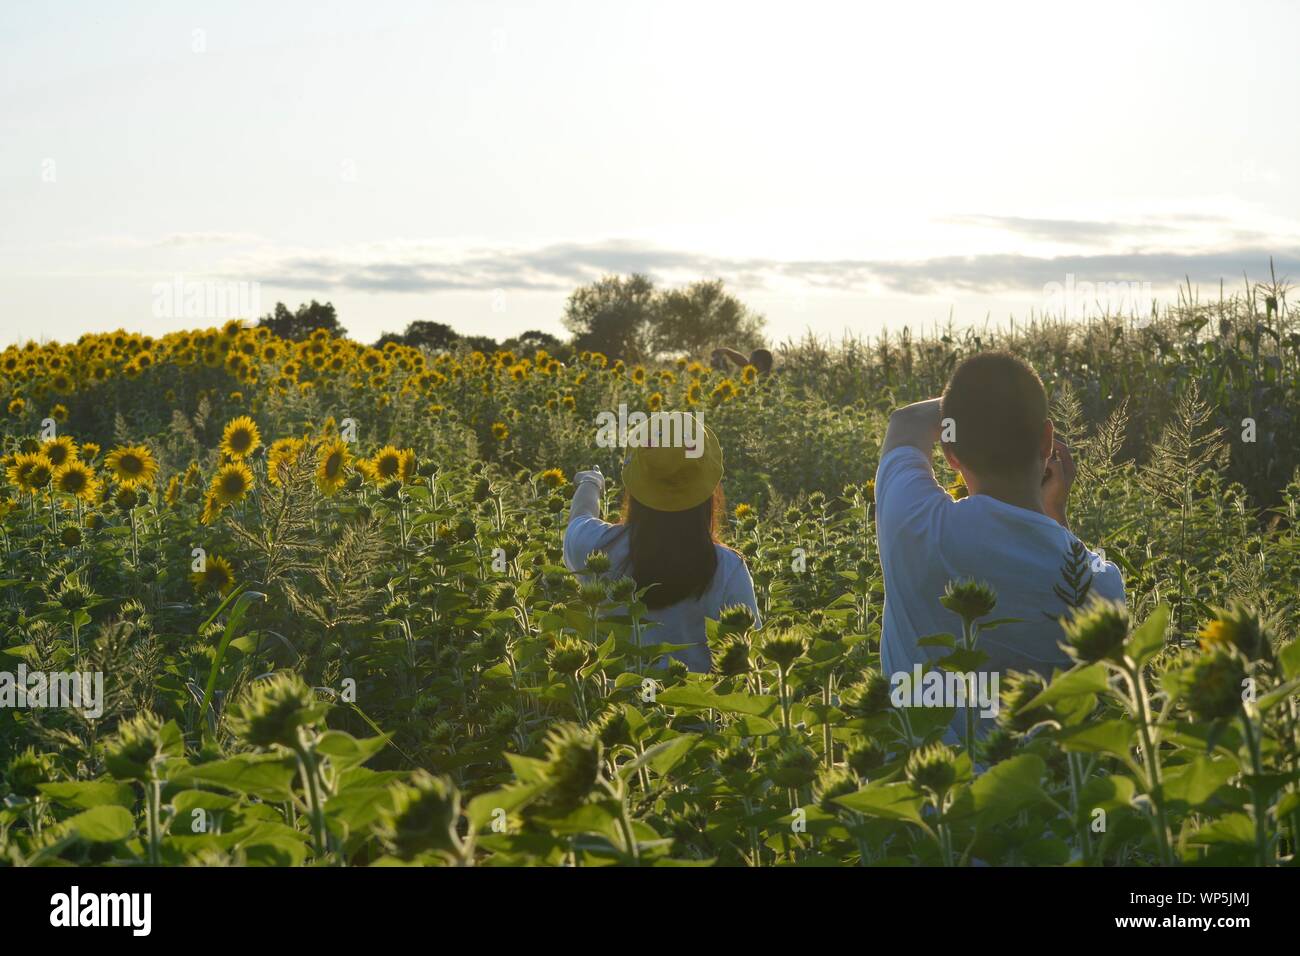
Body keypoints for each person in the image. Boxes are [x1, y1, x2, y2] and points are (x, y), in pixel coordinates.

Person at [874, 351, 1124, 740]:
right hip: (1040, 794)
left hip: (920, 793)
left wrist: (974, 411)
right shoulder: (1101, 587)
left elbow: (906, 421)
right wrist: (1054, 511)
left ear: (950, 454)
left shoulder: (916, 527)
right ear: (1047, 440)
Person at [564, 426, 760, 672]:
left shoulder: (598, 548)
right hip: (699, 706)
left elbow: (579, 518)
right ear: (708, 488)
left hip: (615, 705)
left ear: (635, 486)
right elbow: (748, 656)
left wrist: (590, 482)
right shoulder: (728, 568)